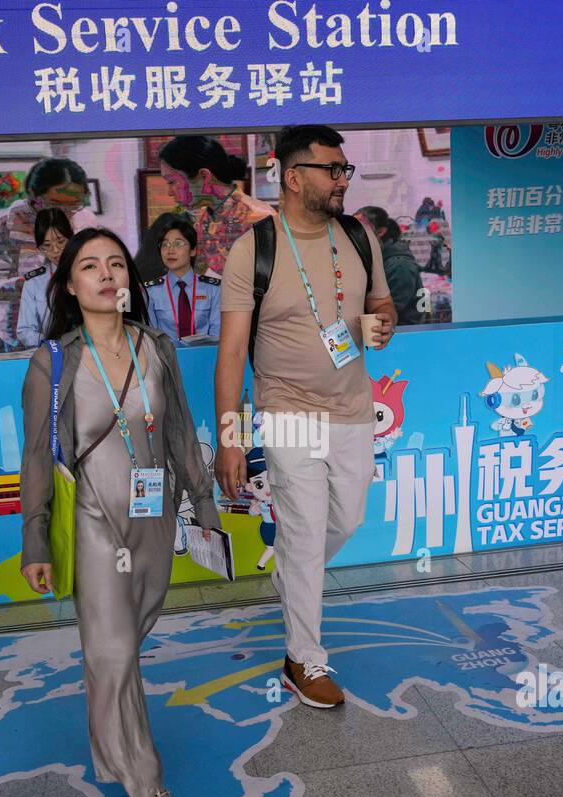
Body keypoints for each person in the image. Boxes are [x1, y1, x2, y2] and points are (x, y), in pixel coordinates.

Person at [18, 227, 221, 797]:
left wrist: (204, 504)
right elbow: (34, 457)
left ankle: (111, 738)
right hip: (94, 525)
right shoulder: (52, 363)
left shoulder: (155, 348)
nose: (107, 275)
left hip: (154, 519)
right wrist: (34, 539)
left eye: (115, 264)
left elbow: (181, 431)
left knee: (128, 639)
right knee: (112, 651)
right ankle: (146, 781)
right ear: (70, 285)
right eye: (90, 266)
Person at [215, 124, 397, 709]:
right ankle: (304, 661)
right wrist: (231, 439)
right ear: (293, 178)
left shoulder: (358, 234)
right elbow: (232, 353)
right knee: (302, 528)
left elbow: (381, 304)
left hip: (352, 409)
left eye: (346, 169)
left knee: (344, 520)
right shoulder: (254, 249)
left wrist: (383, 319)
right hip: (287, 411)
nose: (343, 179)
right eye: (332, 170)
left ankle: (292, 573)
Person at [0, 158, 91, 351]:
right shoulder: (4, 226)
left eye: (74, 205)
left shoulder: (85, 222)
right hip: (22, 333)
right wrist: (31, 284)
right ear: (33, 195)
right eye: (55, 204)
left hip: (75, 329)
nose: (65, 213)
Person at [159, 135, 275, 276]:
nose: (169, 192)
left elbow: (275, 284)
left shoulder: (259, 219)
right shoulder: (203, 218)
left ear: (204, 176)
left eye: (172, 182)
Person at [143, 215, 222, 344]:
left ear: (193, 251)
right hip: (167, 360)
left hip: (205, 357)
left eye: (178, 244)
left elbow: (217, 335)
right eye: (165, 244)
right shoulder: (151, 291)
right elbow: (151, 338)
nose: (170, 250)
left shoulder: (213, 289)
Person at [356, 206, 425, 325]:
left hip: (400, 336)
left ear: (381, 231)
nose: (352, 233)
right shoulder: (374, 259)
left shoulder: (399, 266)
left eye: (359, 228)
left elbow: (386, 310)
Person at [15, 208, 72, 348]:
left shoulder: (90, 272)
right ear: (39, 248)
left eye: (60, 241)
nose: (55, 250)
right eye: (47, 246)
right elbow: (25, 331)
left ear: (72, 238)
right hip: (55, 352)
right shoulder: (34, 282)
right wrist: (50, 343)